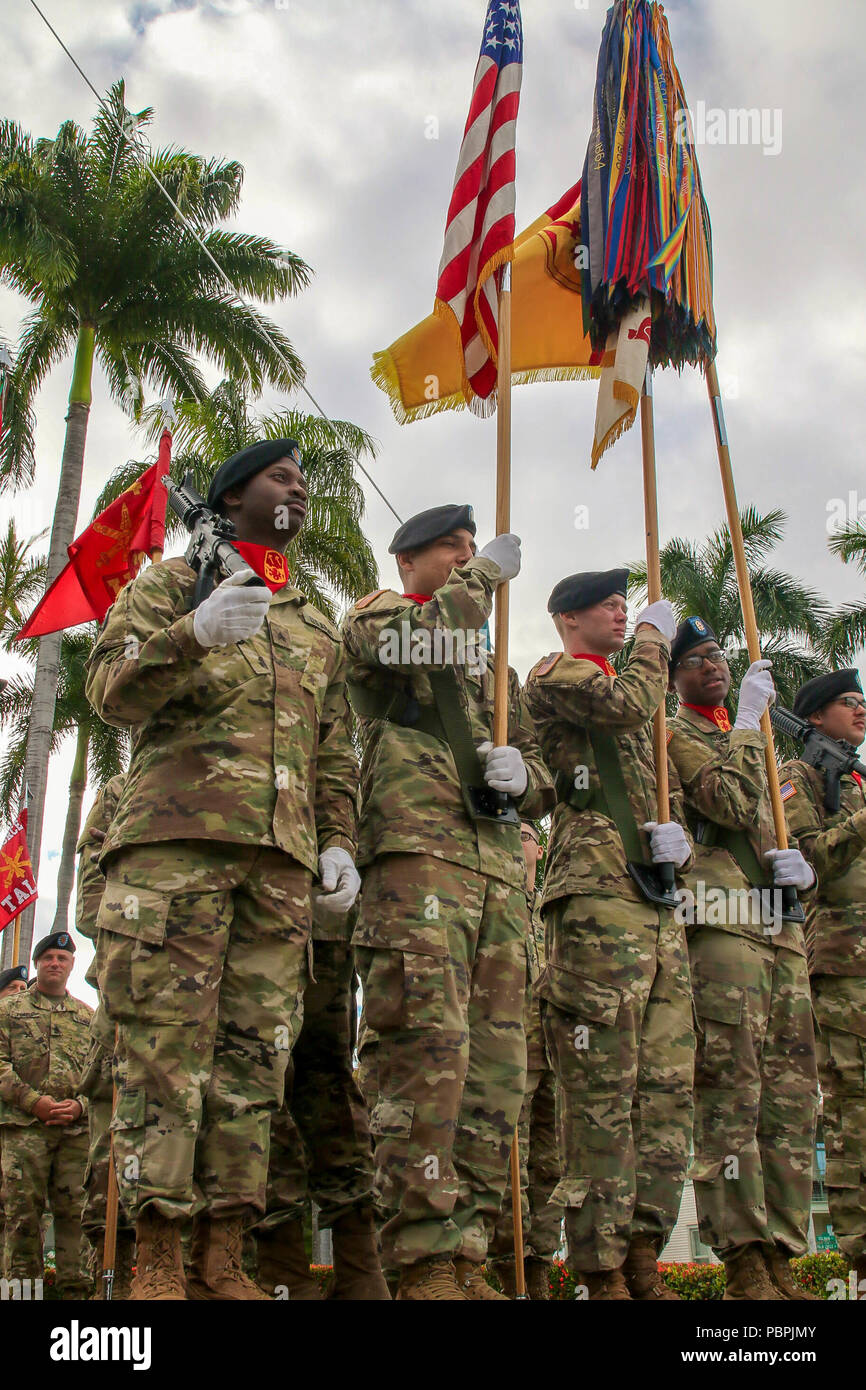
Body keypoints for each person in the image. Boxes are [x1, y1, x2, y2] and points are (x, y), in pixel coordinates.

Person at [85, 438, 360, 1300]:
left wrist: (338, 839)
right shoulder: (174, 583)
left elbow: (334, 752)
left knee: (255, 1064)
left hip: (280, 872)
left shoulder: (315, 621)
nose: (301, 492)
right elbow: (109, 691)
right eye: (282, 478)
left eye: (305, 482)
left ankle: (223, 1254)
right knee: (168, 1055)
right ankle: (159, 1257)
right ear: (234, 495)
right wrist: (189, 635)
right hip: (176, 852)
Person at [343, 504, 555, 1300]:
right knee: (423, 1058)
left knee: (494, 1081)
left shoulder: (493, 673)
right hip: (416, 861)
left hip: (499, 877)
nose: (469, 559)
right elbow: (414, 642)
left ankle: (468, 1255)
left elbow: (536, 774)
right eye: (452, 550)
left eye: (474, 550)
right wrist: (488, 576)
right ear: (407, 563)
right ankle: (424, 1257)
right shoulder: (380, 616)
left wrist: (524, 778)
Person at [524, 569, 694, 1301]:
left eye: (629, 605)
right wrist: (655, 639)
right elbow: (627, 702)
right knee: (601, 1091)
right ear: (567, 618)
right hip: (594, 897)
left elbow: (662, 783)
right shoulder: (557, 673)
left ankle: (645, 1253)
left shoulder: (635, 698)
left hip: (653, 903)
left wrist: (671, 834)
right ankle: (599, 1268)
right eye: (607, 604)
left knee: (664, 1091)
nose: (623, 612)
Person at [667, 618, 818, 1300]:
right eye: (697, 659)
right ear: (673, 677)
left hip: (778, 927)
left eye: (718, 655)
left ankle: (786, 1251)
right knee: (731, 1091)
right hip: (722, 920)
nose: (714, 665)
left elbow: (766, 825)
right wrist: (747, 726)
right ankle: (745, 1257)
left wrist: (797, 868)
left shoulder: (752, 741)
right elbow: (722, 800)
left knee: (789, 1101)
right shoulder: (676, 734)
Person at [254, 897, 388, 1300]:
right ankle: (283, 1268)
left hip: (327, 923)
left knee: (330, 1085)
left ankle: (359, 1264)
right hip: (254, 917)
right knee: (261, 1086)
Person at [780, 669, 866, 1291]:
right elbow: (804, 861)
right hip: (841, 967)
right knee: (853, 1112)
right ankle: (861, 1253)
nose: (860, 710)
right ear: (814, 716)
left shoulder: (856, 781)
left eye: (863, 701)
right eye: (847, 702)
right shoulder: (800, 777)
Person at [489, 821, 561, 1299]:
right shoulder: (498, 902)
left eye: (527, 834)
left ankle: (539, 1264)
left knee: (551, 1169)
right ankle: (504, 1266)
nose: (520, 841)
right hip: (509, 1059)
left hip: (554, 1058)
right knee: (509, 1168)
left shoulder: (550, 913)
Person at [0, 932, 93, 1298]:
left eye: (62, 958)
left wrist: (80, 1105)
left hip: (74, 1135)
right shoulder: (8, 1011)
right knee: (21, 1218)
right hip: (24, 1131)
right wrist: (33, 1101)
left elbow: (102, 1072)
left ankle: (76, 1299)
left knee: (77, 1217)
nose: (55, 963)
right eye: (49, 957)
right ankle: (21, 1296)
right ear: (38, 964)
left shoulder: (88, 1017)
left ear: (71, 966)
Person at [74, 773, 136, 1299]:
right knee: (113, 1135)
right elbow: (90, 899)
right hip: (131, 974)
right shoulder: (119, 789)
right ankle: (108, 1279)